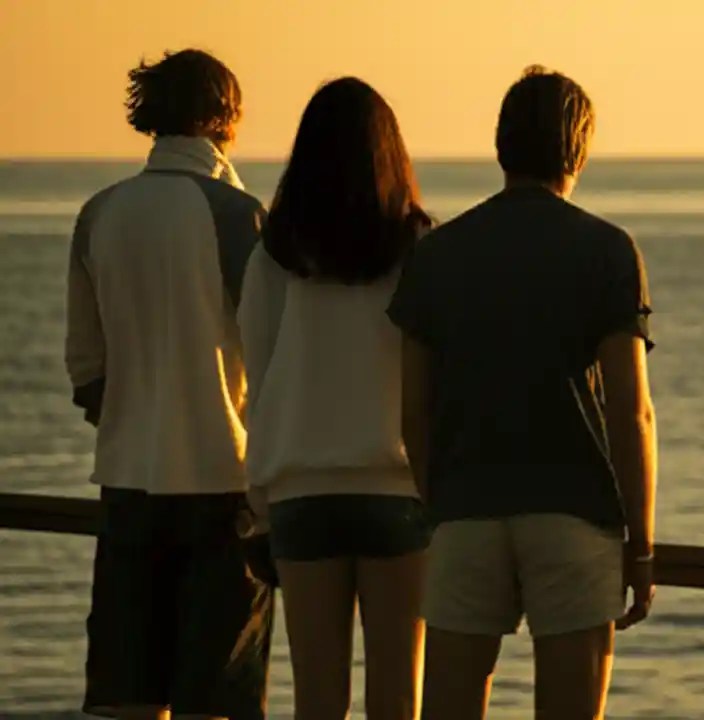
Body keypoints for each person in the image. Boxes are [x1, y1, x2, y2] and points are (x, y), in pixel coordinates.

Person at [387, 65, 658, 720]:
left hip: (465, 512)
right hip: (574, 512)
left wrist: (439, 497)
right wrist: (641, 545)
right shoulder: (608, 251)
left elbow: (413, 410)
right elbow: (632, 410)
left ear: (501, 144)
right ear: (579, 147)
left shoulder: (438, 254)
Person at [64, 49, 273, 720]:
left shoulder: (100, 213)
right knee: (216, 698)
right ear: (225, 116)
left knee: (127, 694)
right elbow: (272, 358)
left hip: (127, 484)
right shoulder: (240, 215)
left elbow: (88, 373)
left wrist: (140, 421)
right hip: (224, 486)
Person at [237, 77, 433, 720]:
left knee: (317, 702)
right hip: (399, 493)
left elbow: (258, 379)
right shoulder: (418, 252)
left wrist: (261, 503)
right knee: (398, 698)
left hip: (301, 494)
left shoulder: (277, 256)